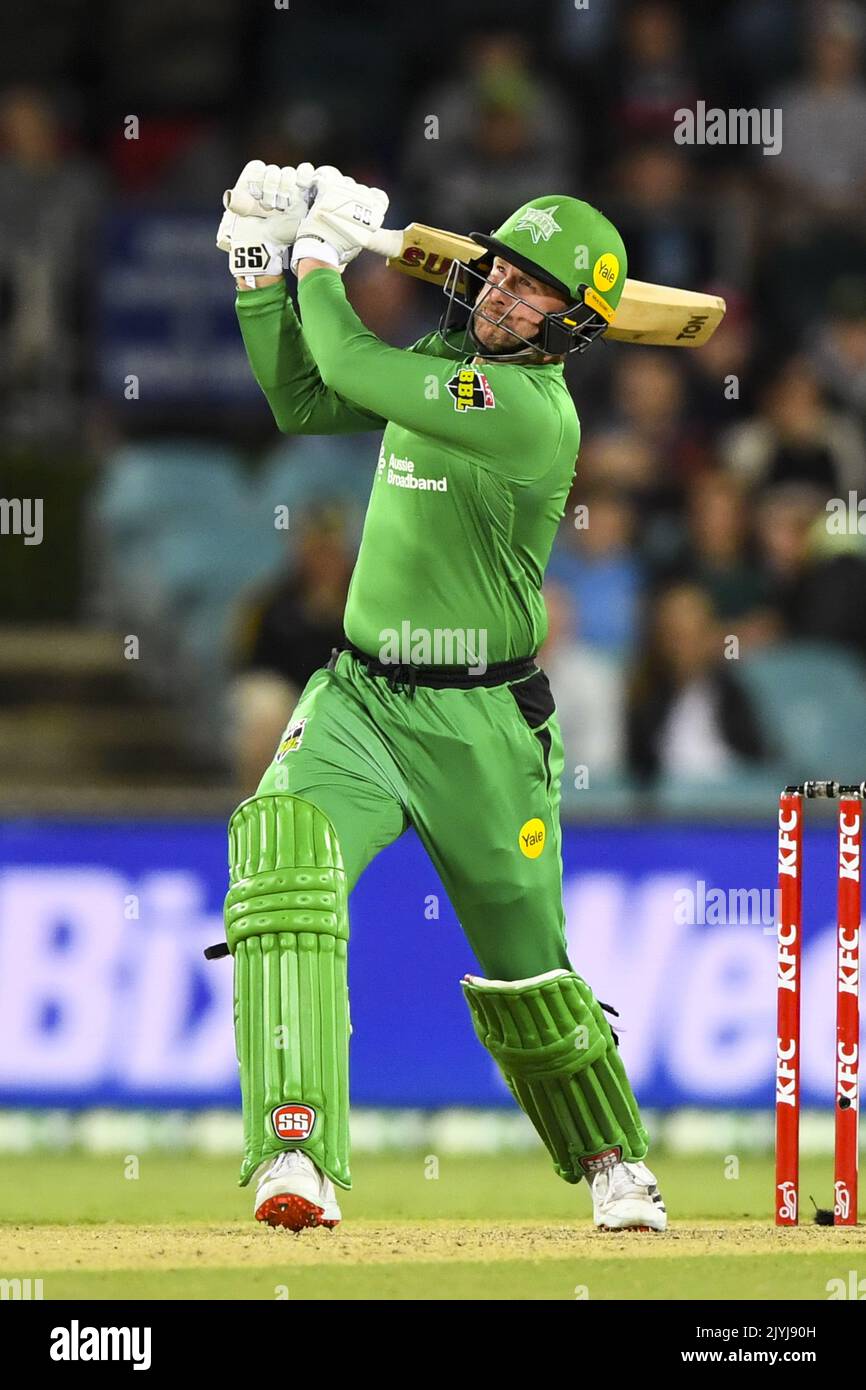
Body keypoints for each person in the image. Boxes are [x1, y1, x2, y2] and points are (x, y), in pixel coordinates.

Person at [213, 161, 667, 1235]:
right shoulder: (442, 357)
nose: (499, 299)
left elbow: (347, 359)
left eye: (528, 293)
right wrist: (253, 264)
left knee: (525, 971)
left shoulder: (525, 413)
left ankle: (610, 1159)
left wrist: (318, 253)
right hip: (361, 700)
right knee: (280, 860)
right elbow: (303, 394)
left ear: (571, 330)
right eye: (497, 275)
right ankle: (296, 1152)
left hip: (482, 726)